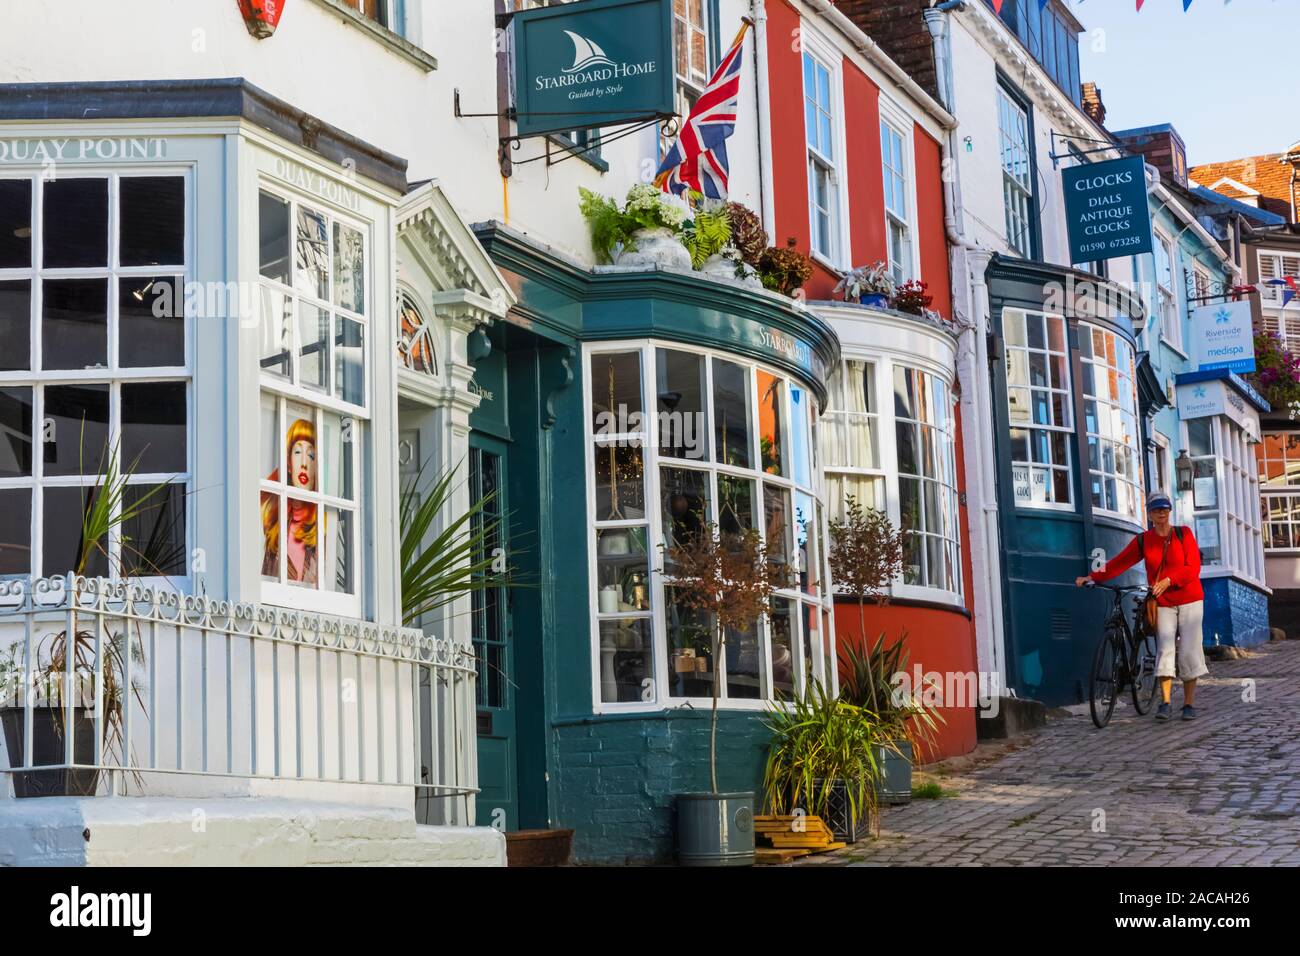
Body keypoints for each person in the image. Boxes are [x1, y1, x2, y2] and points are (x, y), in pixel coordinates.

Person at [1075, 491, 1208, 721]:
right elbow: (1120, 562)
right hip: (1163, 603)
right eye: (1157, 510)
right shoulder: (1143, 540)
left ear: (1170, 511)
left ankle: (1188, 704)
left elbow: (1192, 567)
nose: (1162, 513)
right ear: (1150, 514)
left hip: (1190, 599)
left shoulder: (1183, 534)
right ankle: (1165, 702)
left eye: (1165, 509)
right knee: (1165, 649)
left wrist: (1168, 581)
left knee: (1188, 652)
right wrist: (1092, 577)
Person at [260, 418, 319, 585]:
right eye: (298, 452)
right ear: (289, 463)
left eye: (311, 455)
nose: (304, 464)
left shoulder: (320, 532)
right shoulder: (276, 528)